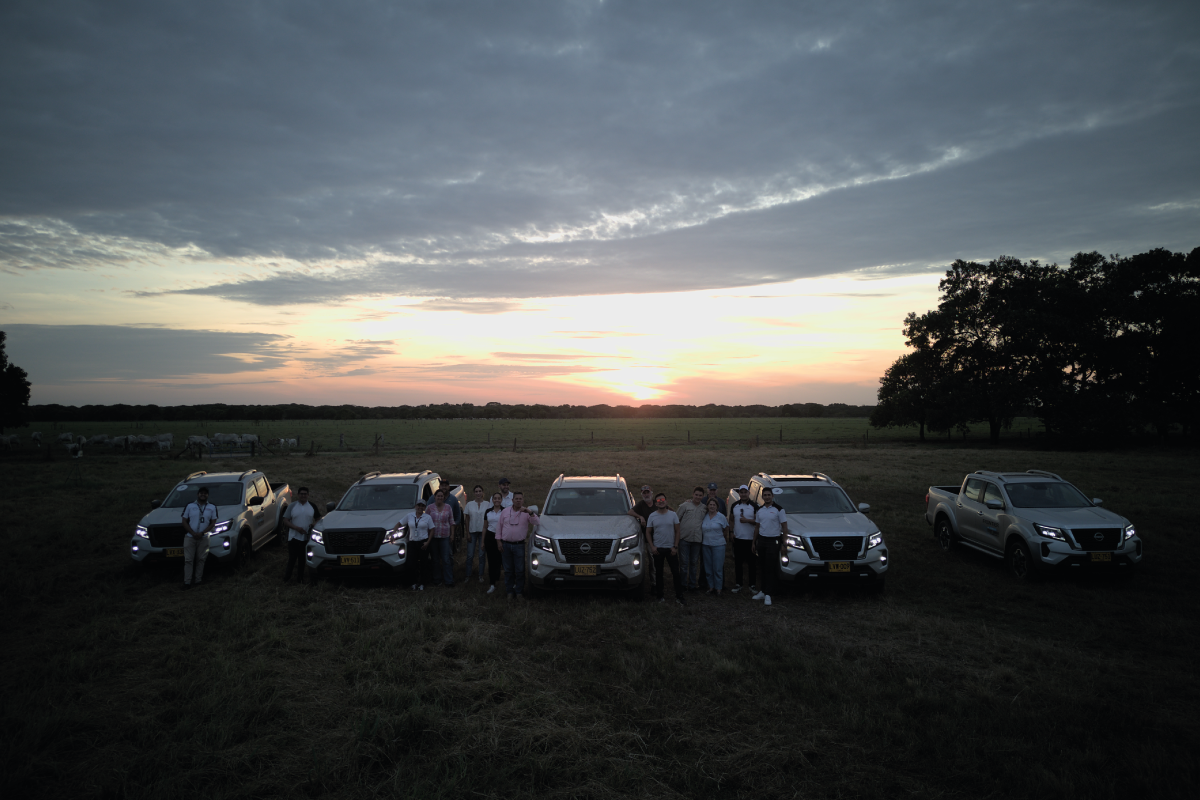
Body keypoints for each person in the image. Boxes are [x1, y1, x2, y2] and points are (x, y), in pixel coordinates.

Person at [496, 491, 539, 599]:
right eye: (516, 499)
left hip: (519, 545)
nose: (518, 500)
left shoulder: (526, 513)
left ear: (523, 500)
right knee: (508, 570)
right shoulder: (505, 512)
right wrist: (499, 541)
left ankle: (519, 591)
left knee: (520, 570)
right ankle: (509, 591)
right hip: (505, 545)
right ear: (512, 500)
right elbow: (499, 527)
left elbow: (537, 522)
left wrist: (529, 512)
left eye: (520, 499)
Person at [646, 493, 685, 605]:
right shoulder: (652, 516)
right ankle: (660, 596)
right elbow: (648, 532)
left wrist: (675, 546)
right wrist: (652, 546)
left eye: (663, 499)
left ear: (666, 501)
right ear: (655, 503)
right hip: (658, 549)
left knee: (675, 573)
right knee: (659, 573)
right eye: (658, 500)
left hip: (671, 549)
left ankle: (679, 596)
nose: (661, 501)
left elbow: (678, 531)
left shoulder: (673, 515)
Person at [752, 488, 789, 606]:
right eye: (765, 495)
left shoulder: (779, 509)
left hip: (774, 541)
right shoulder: (760, 510)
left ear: (772, 496)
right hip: (762, 541)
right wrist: (754, 542)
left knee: (770, 567)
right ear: (762, 497)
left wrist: (784, 543)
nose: (767, 497)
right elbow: (757, 527)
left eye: (769, 495)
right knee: (762, 566)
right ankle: (762, 591)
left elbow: (784, 528)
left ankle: (769, 594)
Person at [181, 486, 218, 590]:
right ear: (197, 494)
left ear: (207, 495)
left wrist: (202, 533)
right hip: (190, 537)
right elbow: (184, 521)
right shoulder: (190, 506)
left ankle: (198, 580)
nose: (203, 495)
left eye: (205, 493)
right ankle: (187, 582)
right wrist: (192, 533)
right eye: (201, 493)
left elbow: (213, 523)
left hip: (204, 537)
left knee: (201, 559)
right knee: (188, 559)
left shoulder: (212, 507)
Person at [282, 486, 320, 584]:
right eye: (301, 494)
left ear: (308, 495)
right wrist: (296, 528)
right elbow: (285, 521)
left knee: (303, 560)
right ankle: (286, 579)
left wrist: (313, 525)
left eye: (305, 494)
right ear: (298, 495)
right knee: (292, 559)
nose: (303, 496)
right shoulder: (292, 506)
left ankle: (300, 579)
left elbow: (319, 519)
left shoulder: (312, 506)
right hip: (293, 538)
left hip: (306, 539)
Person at [728, 484, 759, 593]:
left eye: (745, 492)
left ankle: (752, 585)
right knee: (738, 562)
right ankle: (738, 584)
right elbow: (731, 520)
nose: (743, 494)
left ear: (748, 493)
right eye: (741, 492)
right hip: (738, 538)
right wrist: (731, 532)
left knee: (752, 563)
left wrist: (748, 521)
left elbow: (758, 522)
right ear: (739, 493)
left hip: (750, 539)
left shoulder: (754, 506)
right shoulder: (734, 505)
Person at [676, 487, 707, 591]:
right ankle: (683, 584)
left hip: (697, 540)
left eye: (700, 495)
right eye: (696, 495)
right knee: (684, 563)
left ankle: (692, 585)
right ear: (693, 494)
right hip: (684, 538)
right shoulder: (685, 506)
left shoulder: (704, 508)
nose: (698, 497)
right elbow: (676, 520)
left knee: (694, 563)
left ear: (703, 496)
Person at [701, 498, 730, 597]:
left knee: (717, 568)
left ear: (717, 506)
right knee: (708, 568)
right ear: (707, 506)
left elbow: (726, 528)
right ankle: (711, 587)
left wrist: (722, 537)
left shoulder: (721, 517)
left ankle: (718, 588)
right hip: (706, 545)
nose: (712, 506)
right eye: (710, 505)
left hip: (718, 545)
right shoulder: (704, 516)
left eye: (714, 505)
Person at [404, 501, 435, 590]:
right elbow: (400, 523)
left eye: (422, 506)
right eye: (418, 505)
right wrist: (393, 533)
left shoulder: (427, 517)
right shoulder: (409, 516)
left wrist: (428, 542)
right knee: (411, 563)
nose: (420, 507)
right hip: (412, 543)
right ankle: (413, 582)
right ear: (415, 506)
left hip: (423, 543)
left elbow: (432, 529)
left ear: (425, 507)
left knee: (423, 563)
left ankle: (422, 583)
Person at [427, 489, 455, 587]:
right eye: (438, 496)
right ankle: (437, 580)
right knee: (435, 559)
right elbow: (425, 522)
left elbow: (452, 522)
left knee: (446, 559)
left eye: (441, 496)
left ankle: (449, 580)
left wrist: (452, 535)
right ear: (434, 497)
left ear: (444, 498)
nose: (440, 498)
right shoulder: (429, 508)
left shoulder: (448, 507)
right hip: (433, 537)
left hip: (445, 537)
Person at [463, 485, 489, 582]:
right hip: (472, 531)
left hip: (483, 532)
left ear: (483, 492)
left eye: (480, 491)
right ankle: (468, 575)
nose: (478, 493)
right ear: (474, 493)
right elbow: (467, 519)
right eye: (476, 491)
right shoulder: (469, 504)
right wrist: (468, 533)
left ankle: (481, 575)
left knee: (482, 554)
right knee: (470, 554)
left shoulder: (487, 504)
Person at [483, 491, 505, 594]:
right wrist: (483, 541)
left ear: (501, 500)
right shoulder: (488, 511)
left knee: (501, 560)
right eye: (495, 498)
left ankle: (500, 579)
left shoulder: (505, 511)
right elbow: (485, 527)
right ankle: (492, 584)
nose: (497, 500)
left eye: (498, 498)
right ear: (492, 500)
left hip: (501, 537)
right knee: (491, 561)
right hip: (490, 537)